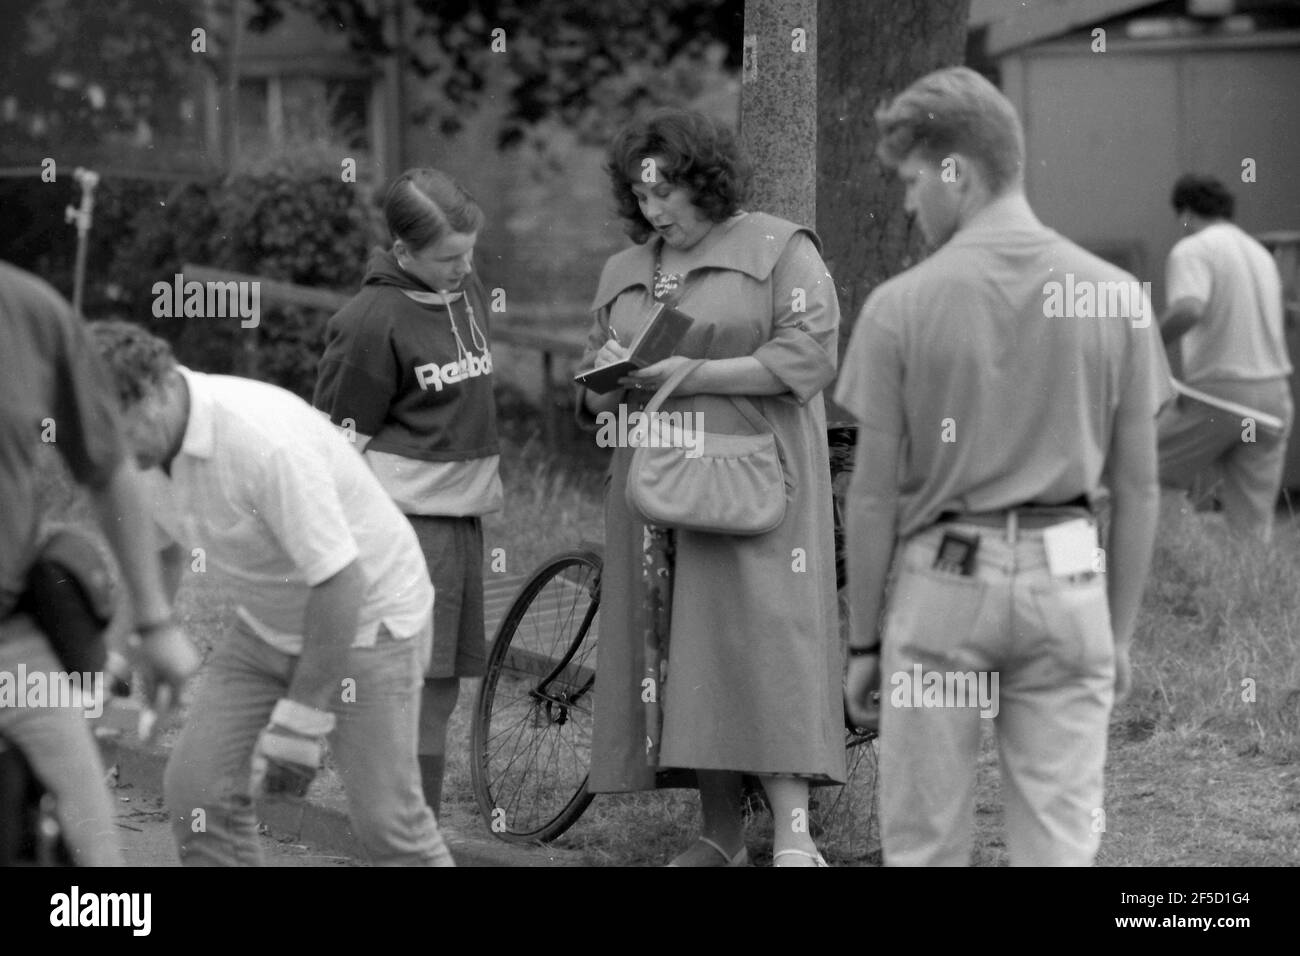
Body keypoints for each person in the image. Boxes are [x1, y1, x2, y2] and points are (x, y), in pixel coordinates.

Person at [836, 67, 1169, 866]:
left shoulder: (901, 308)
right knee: (1057, 843)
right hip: (1070, 582)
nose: (909, 203)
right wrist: (1116, 637)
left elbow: (874, 496)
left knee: (925, 842)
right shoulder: (1116, 296)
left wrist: (864, 646)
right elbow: (1139, 489)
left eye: (915, 181)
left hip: (947, 587)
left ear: (960, 171)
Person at [578, 107, 845, 867]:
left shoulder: (782, 249)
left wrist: (692, 372)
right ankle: (718, 833)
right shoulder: (624, 273)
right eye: (643, 194)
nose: (656, 209)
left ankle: (795, 837)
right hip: (655, 483)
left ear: (706, 180)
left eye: (668, 191)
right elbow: (592, 385)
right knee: (678, 653)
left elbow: (807, 361)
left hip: (755, 477)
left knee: (766, 644)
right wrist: (602, 380)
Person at [88, 320, 453, 866]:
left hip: (368, 623)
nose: (107, 451)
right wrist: (112, 667)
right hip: (266, 625)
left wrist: (300, 723)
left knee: (388, 826)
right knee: (198, 793)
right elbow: (158, 553)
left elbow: (341, 581)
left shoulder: (261, 440)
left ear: (158, 391)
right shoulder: (136, 454)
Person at [313, 167, 501, 820]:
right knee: (407, 685)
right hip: (407, 528)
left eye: (470, 251)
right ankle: (399, 831)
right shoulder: (368, 323)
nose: (465, 267)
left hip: (461, 525)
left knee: (441, 687)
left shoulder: (460, 284)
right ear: (401, 253)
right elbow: (335, 452)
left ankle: (413, 826)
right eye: (449, 257)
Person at [0, 262, 199, 866]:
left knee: (94, 855)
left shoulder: (29, 311)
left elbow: (107, 466)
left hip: (9, 644)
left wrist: (155, 624)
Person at [1156, 173, 1293, 543]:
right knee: (1251, 521)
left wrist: (1145, 343)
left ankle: (1184, 561)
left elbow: (1188, 308)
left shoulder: (1194, 248)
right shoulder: (1259, 255)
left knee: (1145, 472)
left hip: (1221, 394)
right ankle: (1249, 593)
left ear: (1185, 213)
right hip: (1274, 396)